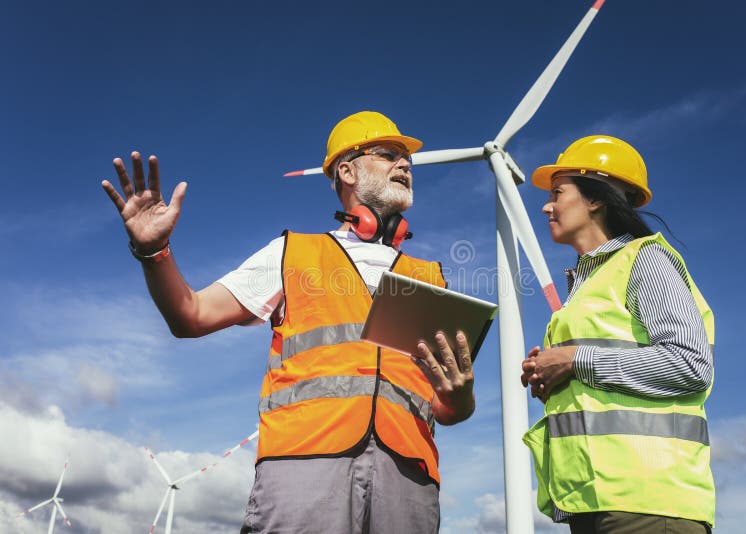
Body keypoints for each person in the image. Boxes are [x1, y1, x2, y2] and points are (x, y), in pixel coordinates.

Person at [101, 111, 476, 533]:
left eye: (407, 159)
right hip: (304, 467)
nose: (405, 165)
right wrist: (155, 252)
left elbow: (448, 410)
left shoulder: (430, 277)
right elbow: (191, 315)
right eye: (389, 154)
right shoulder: (291, 253)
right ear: (347, 171)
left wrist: (462, 397)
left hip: (409, 477)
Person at [519, 135, 715, 533]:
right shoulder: (583, 289)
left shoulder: (645, 259)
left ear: (595, 199)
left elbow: (691, 365)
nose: (546, 205)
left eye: (558, 193)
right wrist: (551, 374)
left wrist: (574, 360)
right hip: (594, 501)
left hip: (650, 501)